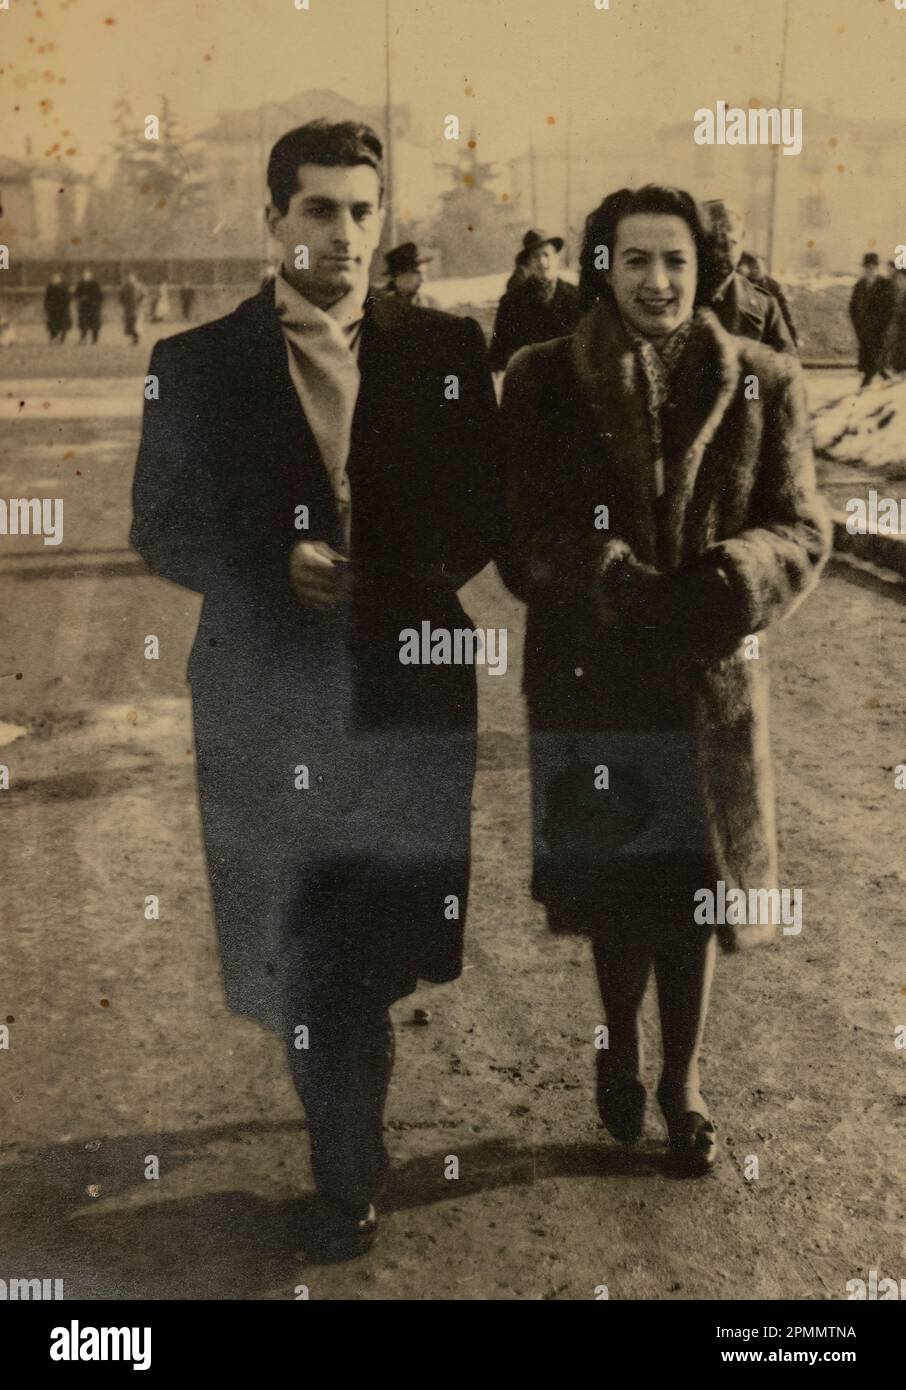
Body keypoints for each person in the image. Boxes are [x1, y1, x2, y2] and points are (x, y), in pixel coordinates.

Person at [130, 120, 501, 1260]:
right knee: (303, 949)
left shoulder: (443, 348)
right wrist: (269, 558)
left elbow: (483, 516)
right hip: (262, 695)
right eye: (319, 210)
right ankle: (344, 1162)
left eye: (361, 211)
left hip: (405, 695)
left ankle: (347, 1133)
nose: (342, 235)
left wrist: (383, 570)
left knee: (373, 946)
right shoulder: (195, 364)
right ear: (272, 221)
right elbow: (159, 526)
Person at [498, 184, 830, 1176]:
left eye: (676, 261)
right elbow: (521, 532)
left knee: (693, 891)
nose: (658, 280)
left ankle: (681, 1081)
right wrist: (604, 578)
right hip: (593, 672)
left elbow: (804, 525)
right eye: (635, 260)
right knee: (614, 880)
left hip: (703, 679)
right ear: (603, 267)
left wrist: (732, 581)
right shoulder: (545, 377)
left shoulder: (764, 377)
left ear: (704, 269)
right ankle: (620, 1046)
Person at [703, 200, 794, 353]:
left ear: (743, 242)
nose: (723, 253)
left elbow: (787, 372)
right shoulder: (675, 299)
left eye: (732, 243)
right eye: (715, 243)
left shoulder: (764, 307)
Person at [488, 228, 581, 372]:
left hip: (570, 385)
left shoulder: (577, 297)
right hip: (529, 386)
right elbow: (499, 354)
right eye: (536, 257)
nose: (542, 262)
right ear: (528, 263)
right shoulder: (511, 302)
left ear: (557, 258)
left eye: (546, 254)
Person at [850, 253, 895, 387]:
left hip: (880, 330)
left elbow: (889, 308)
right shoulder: (859, 285)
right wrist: (857, 325)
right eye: (866, 267)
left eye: (872, 266)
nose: (869, 269)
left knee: (874, 360)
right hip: (864, 330)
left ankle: (864, 386)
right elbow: (852, 307)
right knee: (873, 360)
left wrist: (884, 327)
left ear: (876, 267)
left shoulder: (885, 284)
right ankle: (888, 381)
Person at [737, 250, 799, 348]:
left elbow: (785, 313)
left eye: (757, 266)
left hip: (766, 333)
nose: (756, 269)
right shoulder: (738, 284)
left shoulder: (772, 286)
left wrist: (793, 336)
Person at [381, 241, 439, 309]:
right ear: (399, 274)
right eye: (417, 273)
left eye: (423, 273)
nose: (422, 279)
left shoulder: (430, 304)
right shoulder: (378, 303)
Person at [75, 269, 103, 344]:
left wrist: (93, 301)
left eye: (87, 275)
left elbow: (99, 296)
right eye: (84, 275)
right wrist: (81, 298)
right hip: (84, 307)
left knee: (94, 323)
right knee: (83, 323)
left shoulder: (95, 284)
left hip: (93, 307)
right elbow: (76, 294)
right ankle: (83, 338)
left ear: (90, 275)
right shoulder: (80, 284)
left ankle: (94, 339)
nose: (86, 276)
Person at [44, 273, 71, 344]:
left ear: (60, 279)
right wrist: (47, 307)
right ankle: (53, 337)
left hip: (62, 309)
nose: (55, 280)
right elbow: (47, 298)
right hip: (52, 309)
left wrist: (65, 306)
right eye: (54, 278)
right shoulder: (50, 287)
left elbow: (67, 298)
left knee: (62, 324)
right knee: (52, 324)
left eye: (57, 278)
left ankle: (62, 337)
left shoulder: (64, 287)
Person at [120, 273, 144, 345]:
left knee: (136, 324)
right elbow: (121, 296)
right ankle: (133, 339)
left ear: (135, 278)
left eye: (132, 278)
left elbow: (143, 295)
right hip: (128, 308)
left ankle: (136, 339)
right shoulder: (125, 287)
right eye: (129, 278)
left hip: (137, 308)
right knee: (130, 324)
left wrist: (140, 302)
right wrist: (124, 303)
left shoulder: (139, 286)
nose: (131, 279)